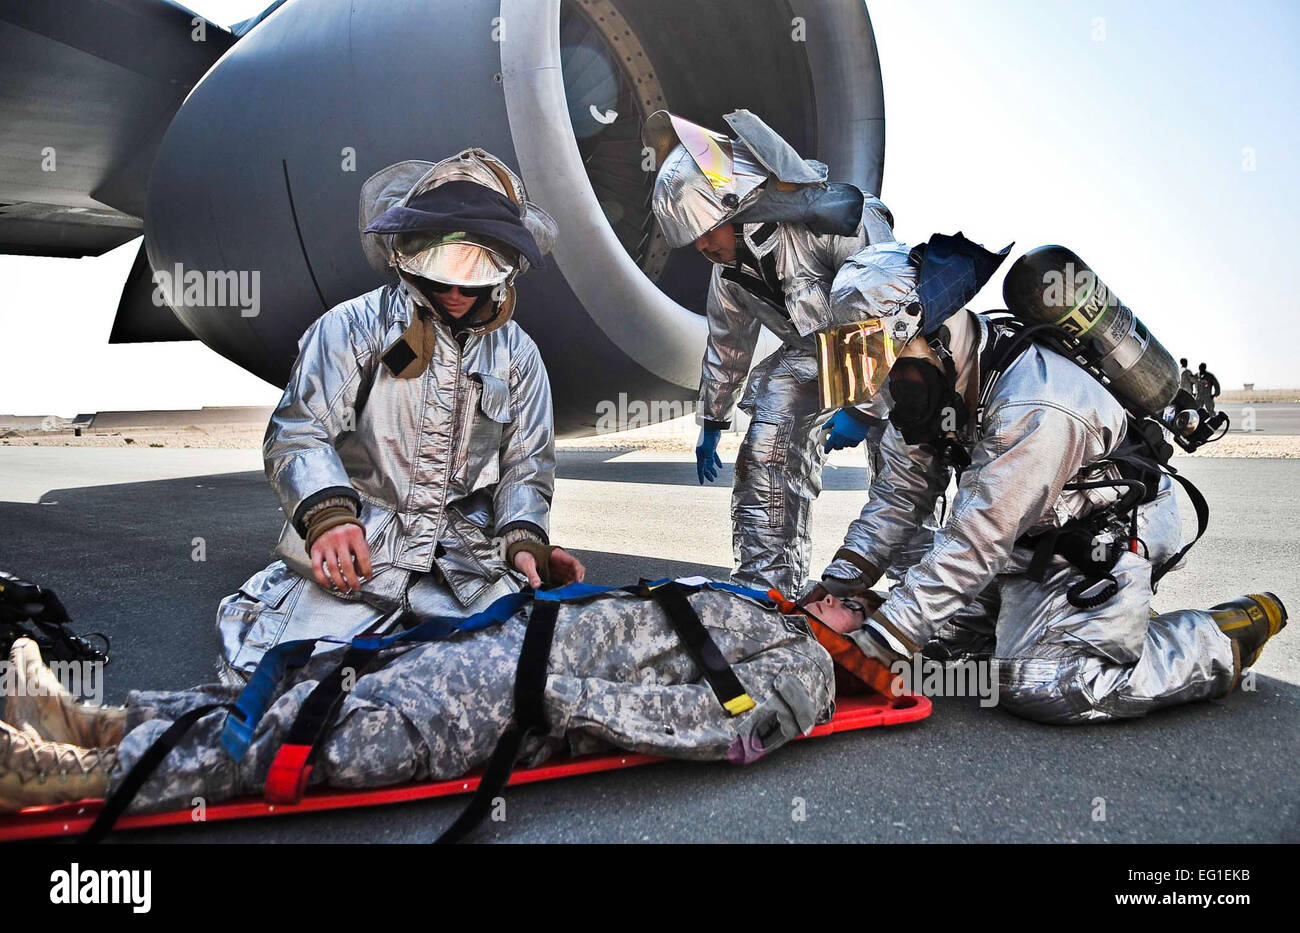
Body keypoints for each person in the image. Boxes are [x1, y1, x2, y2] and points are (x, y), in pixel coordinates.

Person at [801, 237, 1287, 724]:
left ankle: (1214, 639)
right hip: (1022, 543)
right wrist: (842, 580)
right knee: (939, 648)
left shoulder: (1035, 403)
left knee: (1041, 682)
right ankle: (1102, 625)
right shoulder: (932, 393)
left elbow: (978, 539)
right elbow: (898, 500)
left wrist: (880, 644)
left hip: (1104, 537)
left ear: (937, 338)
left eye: (885, 364)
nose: (882, 385)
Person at [0, 579, 850, 814]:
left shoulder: (804, 668)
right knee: (313, 688)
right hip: (500, 642)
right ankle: (98, 719)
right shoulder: (759, 602)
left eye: (857, 597)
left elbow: (725, 728)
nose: (838, 585)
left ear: (856, 639)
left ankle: (70, 774)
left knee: (323, 743)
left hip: (516, 691)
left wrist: (561, 701)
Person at [217, 150, 584, 683]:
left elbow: (527, 467)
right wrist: (327, 517)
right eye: (442, 275)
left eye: (473, 277)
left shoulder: (519, 355)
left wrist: (526, 542)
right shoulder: (351, 328)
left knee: (525, 674)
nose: (456, 293)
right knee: (277, 681)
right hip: (360, 555)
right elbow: (300, 431)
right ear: (407, 253)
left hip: (464, 567)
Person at [643, 109, 896, 593]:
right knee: (766, 449)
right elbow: (727, 346)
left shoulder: (841, 220)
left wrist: (863, 407)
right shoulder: (728, 275)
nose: (702, 247)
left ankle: (923, 605)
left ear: (736, 208)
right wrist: (713, 422)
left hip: (899, 353)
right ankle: (767, 589)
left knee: (903, 475)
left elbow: (883, 311)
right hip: (811, 353)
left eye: (706, 231)